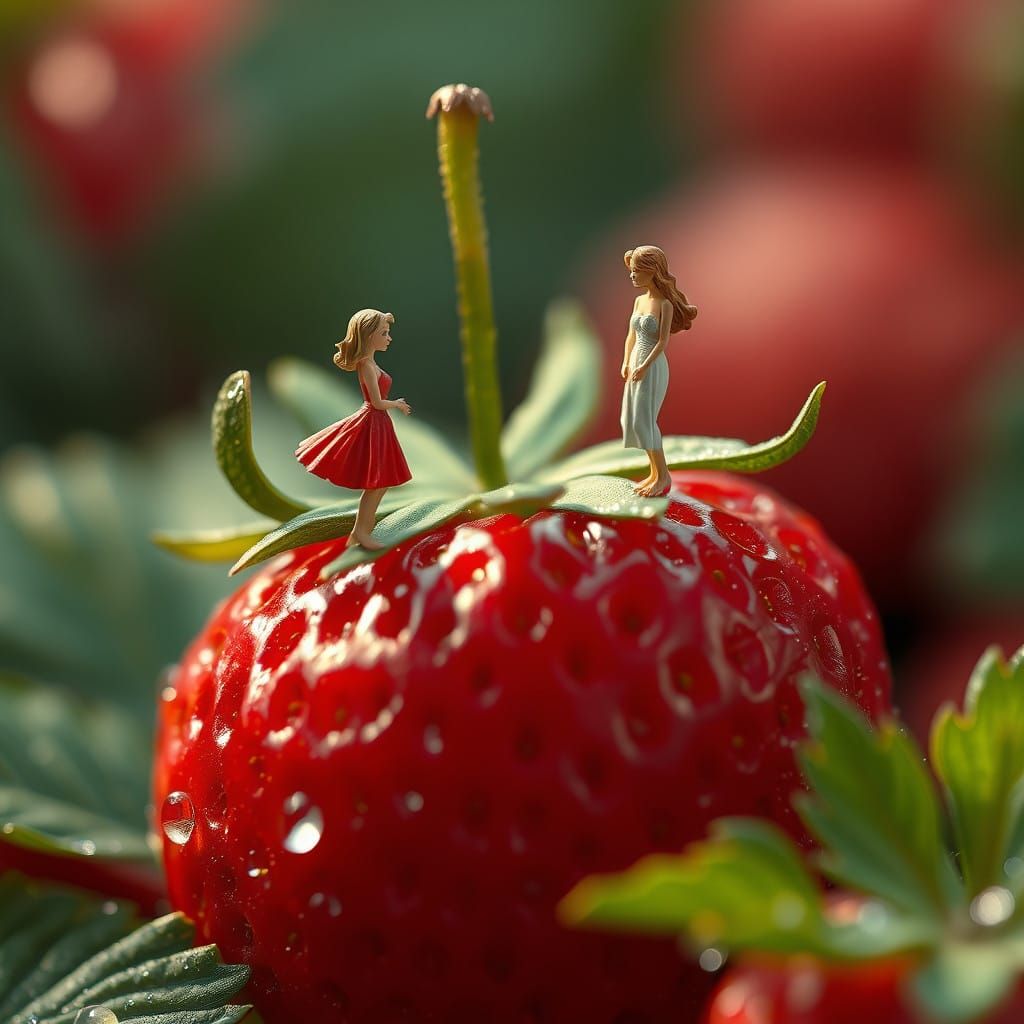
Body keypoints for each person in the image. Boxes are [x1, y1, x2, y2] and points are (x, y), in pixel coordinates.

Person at [295, 308, 412, 549]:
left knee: (381, 482)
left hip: (379, 423)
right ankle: (361, 531)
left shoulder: (371, 363)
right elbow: (376, 402)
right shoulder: (366, 366)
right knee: (376, 483)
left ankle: (359, 532)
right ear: (369, 336)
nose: (389, 338)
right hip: (373, 420)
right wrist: (397, 404)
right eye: (384, 333)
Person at [620, 245, 697, 497]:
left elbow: (663, 342)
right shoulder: (638, 301)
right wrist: (626, 361)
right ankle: (653, 473)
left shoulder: (665, 305)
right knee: (634, 420)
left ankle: (663, 476)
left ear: (652, 271)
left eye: (636, 270)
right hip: (635, 360)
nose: (632, 275)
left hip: (652, 365)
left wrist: (644, 366)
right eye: (631, 271)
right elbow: (631, 335)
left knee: (646, 420)